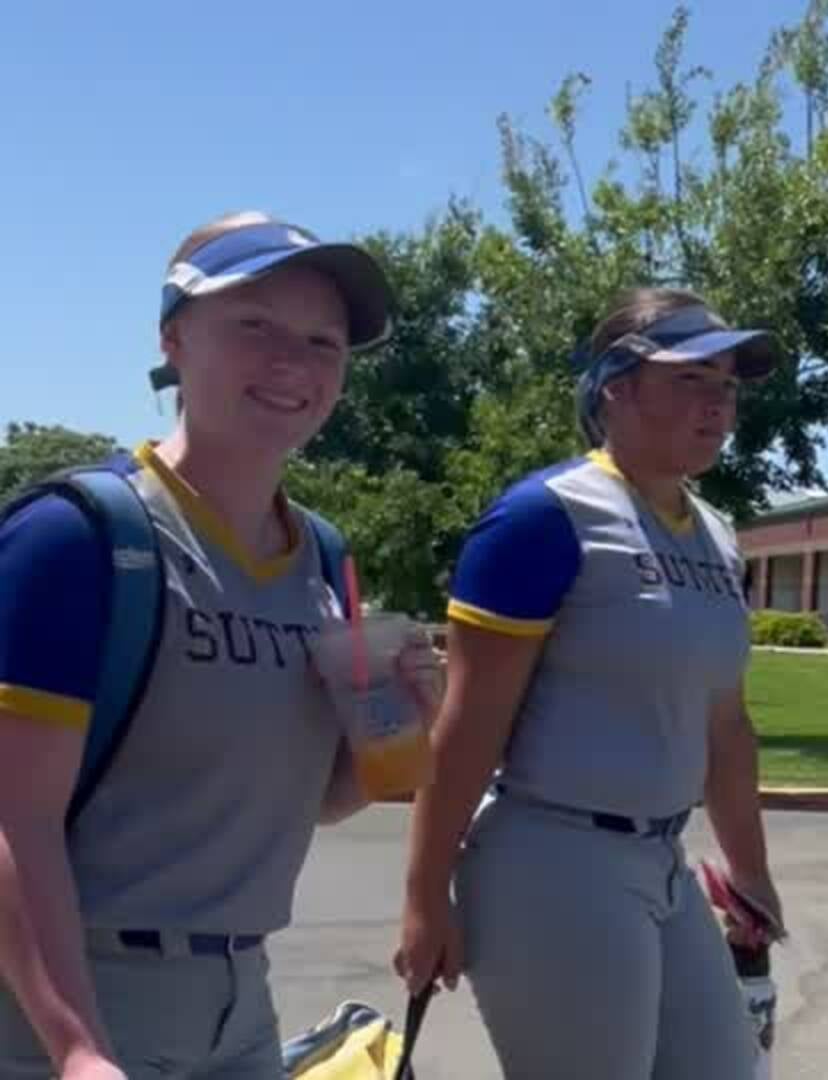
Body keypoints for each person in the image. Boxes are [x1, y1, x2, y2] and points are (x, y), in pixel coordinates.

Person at [0, 212, 398, 1078]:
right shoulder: (75, 539)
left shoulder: (324, 558)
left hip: (240, 1001)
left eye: (322, 341)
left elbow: (313, 800)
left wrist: (402, 726)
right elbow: (12, 818)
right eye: (253, 325)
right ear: (174, 339)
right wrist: (74, 1045)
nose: (292, 363)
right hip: (68, 997)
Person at [395, 287, 786, 1079]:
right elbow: (469, 727)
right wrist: (424, 896)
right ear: (617, 384)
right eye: (691, 381)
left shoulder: (715, 534)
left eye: (727, 388)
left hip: (662, 861)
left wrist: (750, 876)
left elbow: (725, 726)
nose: (718, 407)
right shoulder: (544, 518)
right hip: (554, 860)